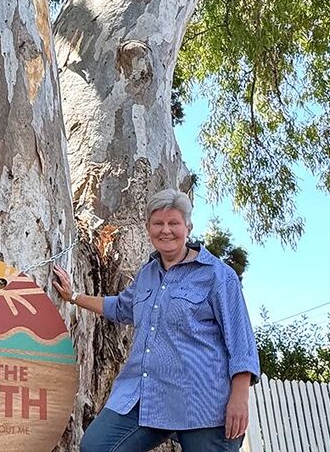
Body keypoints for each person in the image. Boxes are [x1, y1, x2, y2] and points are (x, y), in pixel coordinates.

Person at [52, 188, 259, 452]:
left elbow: (241, 342)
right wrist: (74, 296)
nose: (166, 230)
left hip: (203, 402)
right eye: (158, 223)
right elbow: (120, 307)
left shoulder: (218, 276)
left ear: (188, 226)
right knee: (96, 447)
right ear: (148, 227)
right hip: (148, 394)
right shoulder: (147, 274)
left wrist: (240, 397)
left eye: (174, 223)